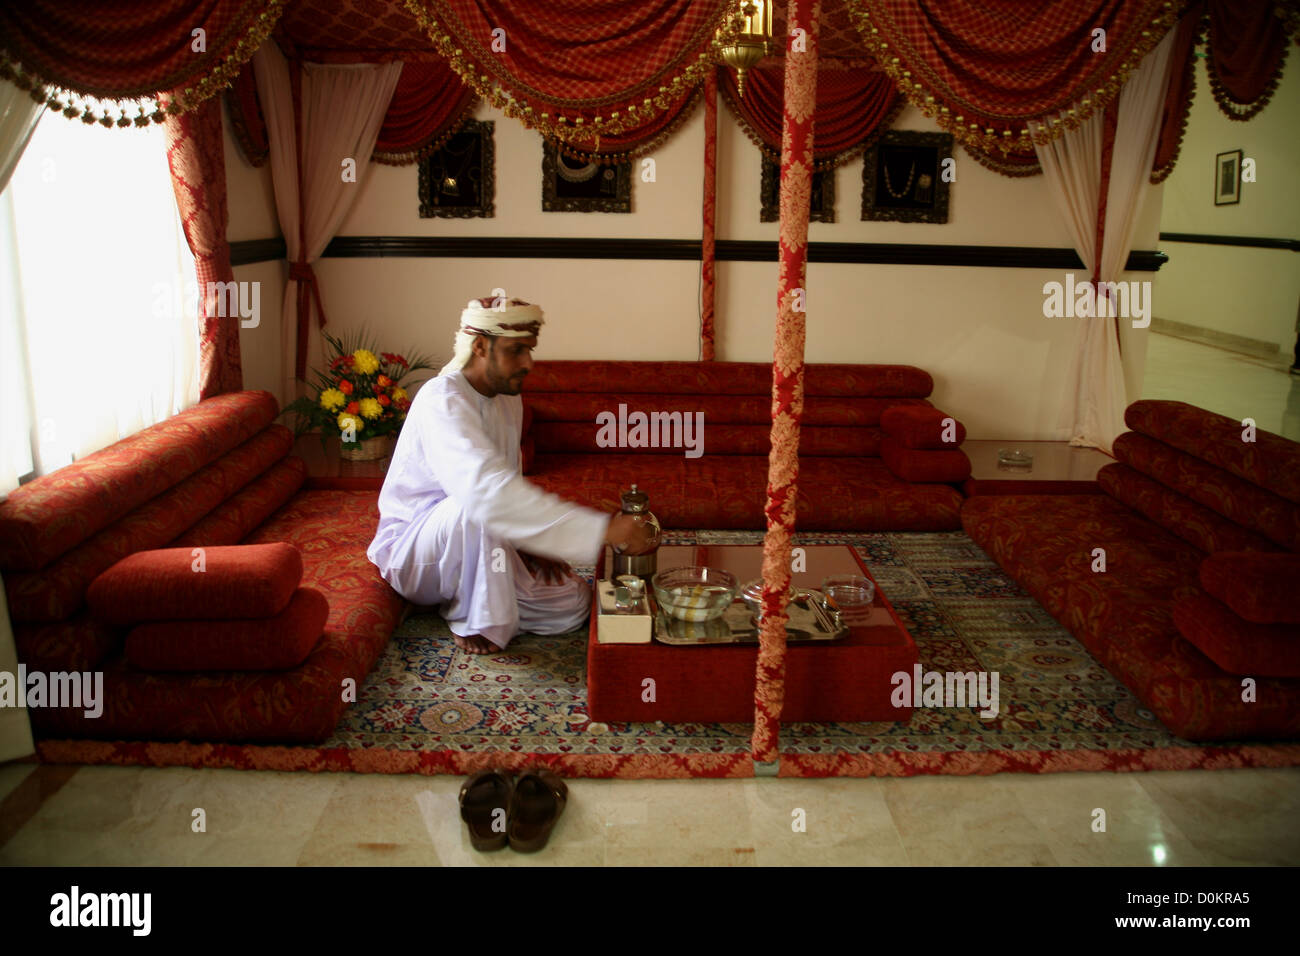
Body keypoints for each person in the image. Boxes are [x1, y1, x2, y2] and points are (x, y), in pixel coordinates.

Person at [366, 295, 654, 654]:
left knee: (571, 604)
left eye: (529, 350)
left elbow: (508, 481)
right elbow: (485, 490)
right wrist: (605, 530)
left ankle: (469, 598)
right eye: (516, 351)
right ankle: (474, 618)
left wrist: (534, 544)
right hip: (417, 551)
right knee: (474, 506)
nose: (528, 363)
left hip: (485, 538)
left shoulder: (507, 398)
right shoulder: (441, 398)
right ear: (480, 346)